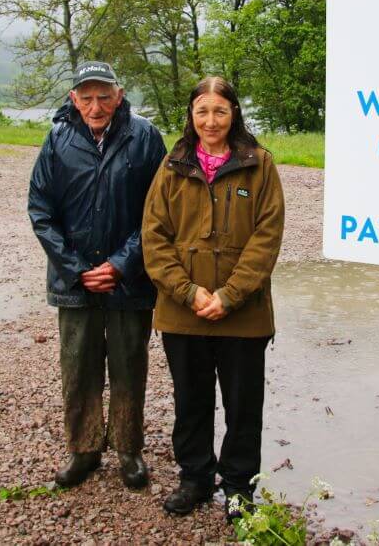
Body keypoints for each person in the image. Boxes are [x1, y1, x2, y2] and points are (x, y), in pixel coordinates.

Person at [142, 76, 285, 518]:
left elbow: (267, 238)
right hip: (183, 315)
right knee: (191, 400)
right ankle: (196, 478)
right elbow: (154, 238)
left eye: (219, 111)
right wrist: (189, 293)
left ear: (234, 113)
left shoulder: (259, 165)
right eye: (201, 111)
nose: (210, 120)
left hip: (243, 315)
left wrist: (229, 295)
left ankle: (240, 488)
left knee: (244, 406)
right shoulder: (171, 166)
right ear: (191, 115)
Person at [28, 61, 166, 490]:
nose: (96, 105)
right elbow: (40, 210)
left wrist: (123, 264)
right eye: (86, 97)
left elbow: (160, 212)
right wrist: (77, 269)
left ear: (119, 95)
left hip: (130, 281)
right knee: (78, 366)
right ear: (74, 99)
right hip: (75, 283)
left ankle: (128, 449)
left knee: (129, 365)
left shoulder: (145, 137)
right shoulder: (57, 138)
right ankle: (83, 449)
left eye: (104, 96)